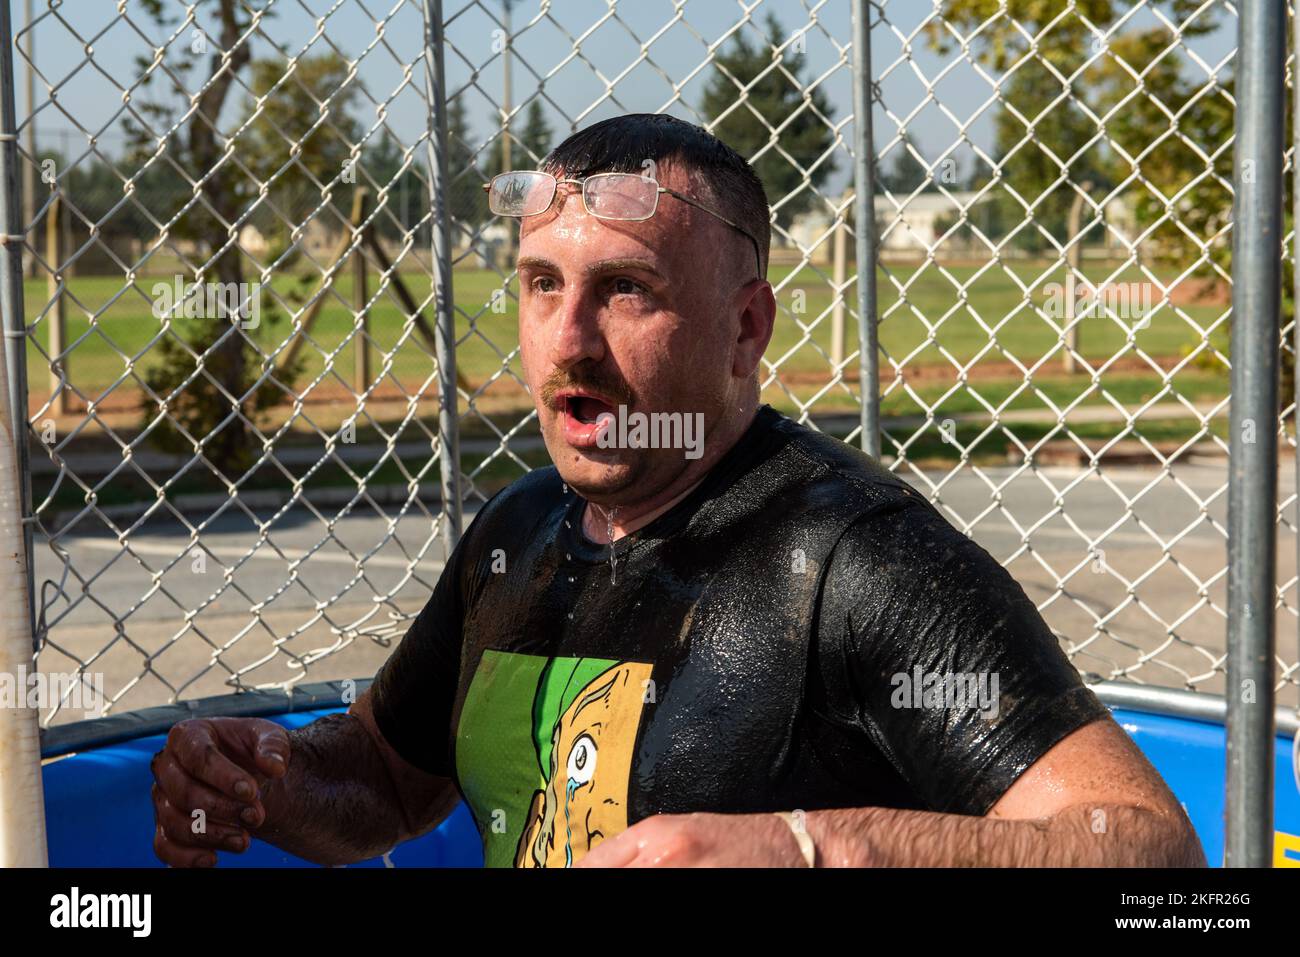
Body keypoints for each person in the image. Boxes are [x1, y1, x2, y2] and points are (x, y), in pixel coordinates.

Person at [150, 113, 1205, 868]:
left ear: (747, 328)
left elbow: (1150, 850)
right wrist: (268, 781)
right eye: (541, 284)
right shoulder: (520, 535)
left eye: (625, 290)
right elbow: (387, 784)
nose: (569, 340)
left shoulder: (853, 558)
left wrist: (806, 848)